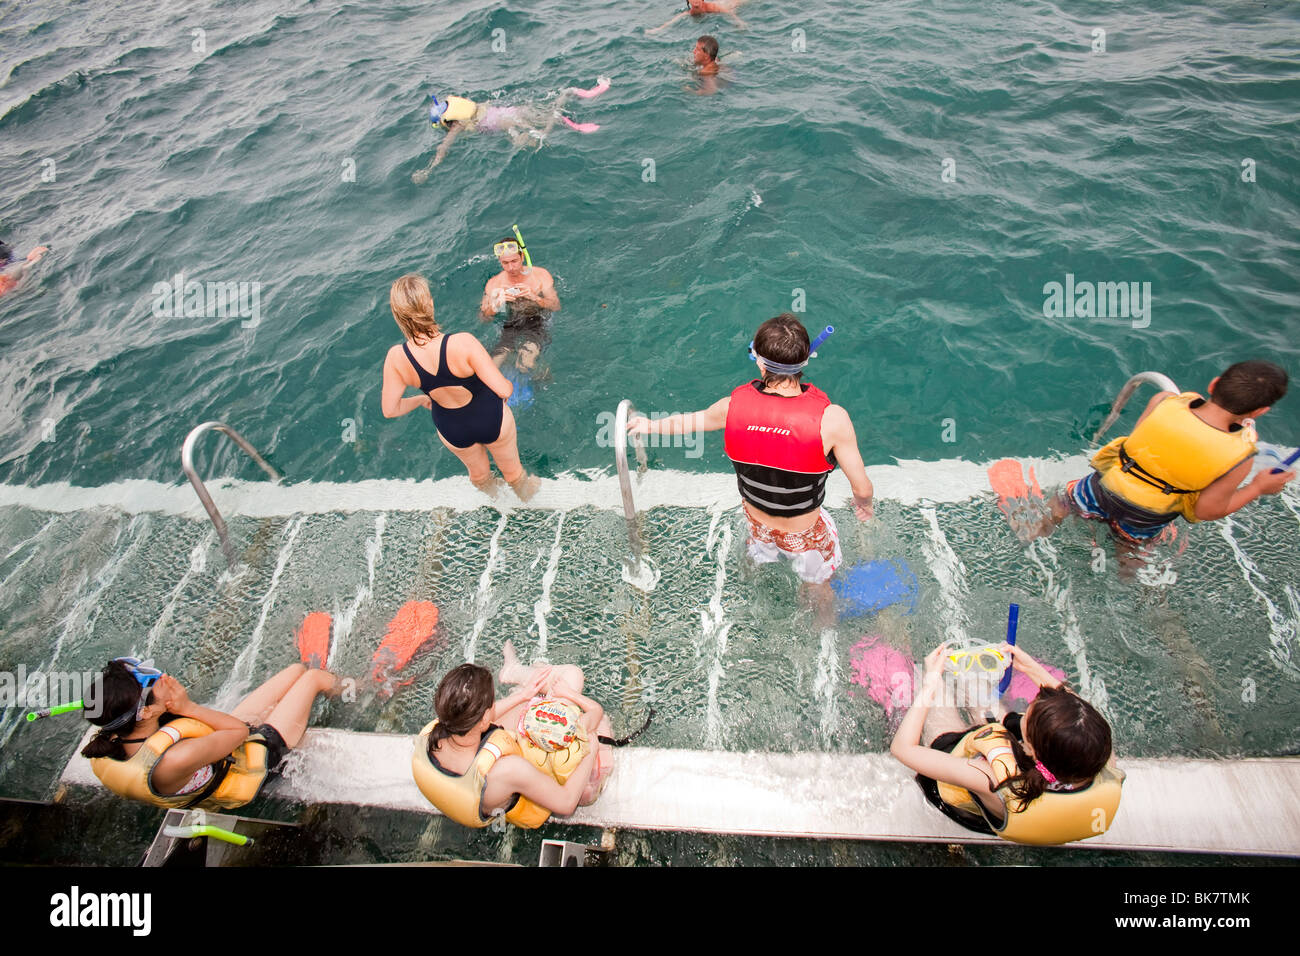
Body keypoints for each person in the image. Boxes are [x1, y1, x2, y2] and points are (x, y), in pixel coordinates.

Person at [628, 313, 875, 619]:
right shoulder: (832, 419)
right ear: (806, 361)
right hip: (806, 536)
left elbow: (693, 420)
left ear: (760, 363)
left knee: (756, 561)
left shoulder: (731, 408)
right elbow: (862, 487)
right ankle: (822, 637)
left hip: (759, 528)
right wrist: (863, 505)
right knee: (819, 587)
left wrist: (650, 426)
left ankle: (745, 597)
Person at [997, 361, 1293, 556]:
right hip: (1148, 514)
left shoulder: (1165, 401)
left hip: (1105, 487)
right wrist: (1257, 488)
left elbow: (1141, 444)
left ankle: (1029, 537)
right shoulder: (1240, 455)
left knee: (1063, 503)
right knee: (1132, 551)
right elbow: (1206, 510)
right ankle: (1130, 582)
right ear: (1259, 412)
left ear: (1214, 385)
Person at [891, 642, 1124, 846]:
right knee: (977, 687)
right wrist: (1031, 668)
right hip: (1026, 774)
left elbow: (903, 748)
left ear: (1030, 748)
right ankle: (975, 702)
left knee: (939, 695)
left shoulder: (996, 779)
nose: (1034, 699)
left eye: (1030, 711)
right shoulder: (1101, 759)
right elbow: (1078, 713)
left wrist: (930, 684)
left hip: (968, 799)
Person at [81, 656, 336, 810]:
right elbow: (238, 731)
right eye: (151, 684)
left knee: (295, 671)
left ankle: (318, 682)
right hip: (258, 759)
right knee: (313, 678)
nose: (163, 678)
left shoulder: (117, 735)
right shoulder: (173, 759)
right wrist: (187, 706)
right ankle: (363, 687)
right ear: (145, 713)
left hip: (227, 746)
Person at [411, 644, 611, 829]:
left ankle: (517, 676)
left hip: (482, 785)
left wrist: (523, 696)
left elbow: (470, 720)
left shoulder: (435, 734)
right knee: (578, 686)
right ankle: (516, 671)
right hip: (526, 789)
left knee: (554, 693)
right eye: (492, 704)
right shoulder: (509, 770)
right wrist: (590, 747)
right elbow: (566, 803)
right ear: (483, 719)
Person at [381, 274, 539, 499]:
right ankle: (527, 502)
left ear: (398, 314)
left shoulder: (396, 357)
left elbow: (390, 410)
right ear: (429, 304)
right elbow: (505, 390)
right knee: (512, 471)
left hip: (451, 427)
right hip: (490, 417)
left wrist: (420, 399)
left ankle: (498, 501)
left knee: (479, 475)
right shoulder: (462, 342)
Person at [412, 79, 610, 182]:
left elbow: (442, 149)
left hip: (508, 123)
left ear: (447, 121)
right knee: (551, 105)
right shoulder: (474, 107)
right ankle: (581, 93)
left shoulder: (458, 125)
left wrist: (428, 170)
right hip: (515, 110)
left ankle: (570, 124)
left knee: (533, 139)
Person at [650, 0, 750, 33]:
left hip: (726, 6)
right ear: (688, 1)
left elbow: (729, 13)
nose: (695, 0)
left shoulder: (711, 7)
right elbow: (672, 21)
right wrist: (657, 30)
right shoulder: (690, 12)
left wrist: (740, 23)